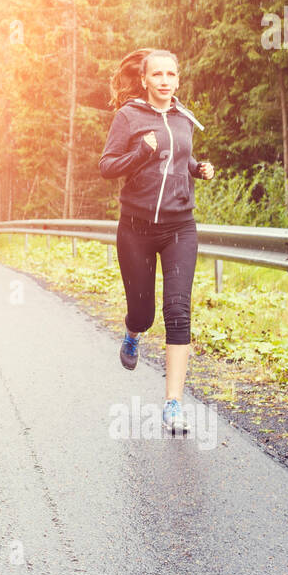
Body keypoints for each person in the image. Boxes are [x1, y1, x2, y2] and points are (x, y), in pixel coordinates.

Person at [97, 48, 214, 434]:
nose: (165, 80)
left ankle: (173, 404)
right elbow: (107, 167)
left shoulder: (183, 118)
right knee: (144, 314)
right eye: (157, 74)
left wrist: (199, 169)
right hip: (136, 228)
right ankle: (132, 333)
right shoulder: (129, 116)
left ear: (178, 79)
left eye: (171, 74)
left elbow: (181, 157)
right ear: (145, 80)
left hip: (180, 227)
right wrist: (140, 152)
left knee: (178, 311)